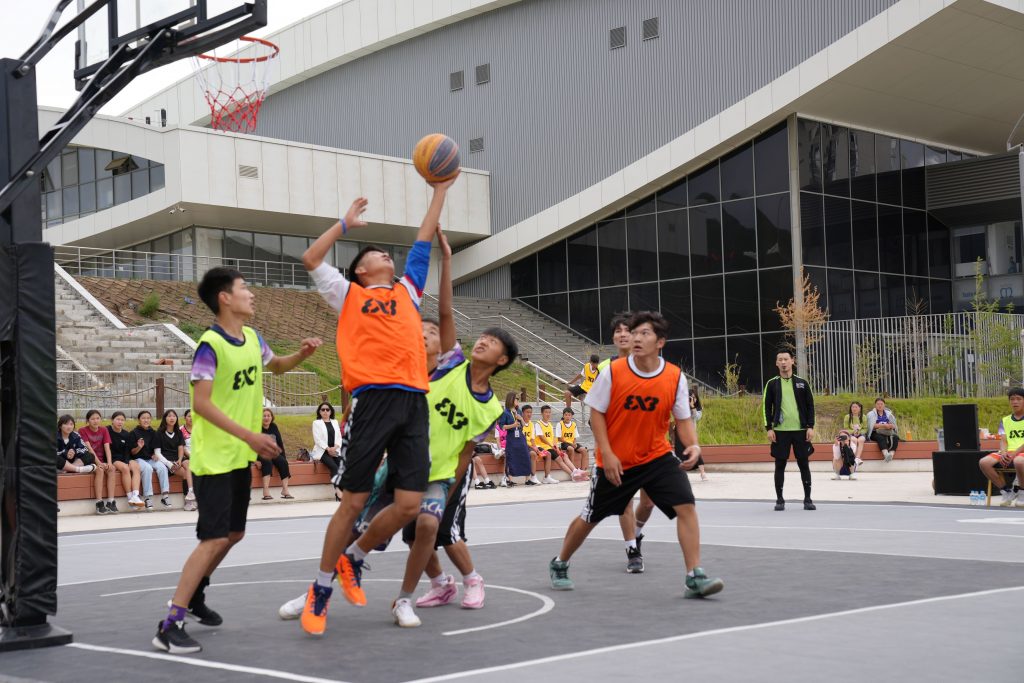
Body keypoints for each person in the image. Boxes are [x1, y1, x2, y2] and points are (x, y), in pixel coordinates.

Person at [299, 179, 455, 637]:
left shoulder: (409, 291)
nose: (385, 256)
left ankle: (355, 558)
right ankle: (322, 589)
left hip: (413, 401)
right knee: (353, 501)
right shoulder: (348, 294)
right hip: (372, 401)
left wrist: (441, 189)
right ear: (360, 271)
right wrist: (344, 224)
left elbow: (423, 238)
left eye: (387, 254)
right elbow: (311, 259)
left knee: (409, 503)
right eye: (374, 255)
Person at [153, 266, 321, 654]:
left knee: (233, 534)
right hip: (214, 458)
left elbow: (276, 365)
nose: (252, 293)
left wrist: (301, 354)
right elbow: (201, 403)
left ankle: (195, 596)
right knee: (213, 538)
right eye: (245, 288)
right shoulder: (210, 346)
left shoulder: (251, 338)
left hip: (239, 456)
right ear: (224, 298)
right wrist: (251, 435)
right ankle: (170, 623)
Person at [548, 311, 723, 599]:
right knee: (590, 517)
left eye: (645, 334)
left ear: (661, 342)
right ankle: (560, 562)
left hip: (657, 457)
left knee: (686, 505)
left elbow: (683, 419)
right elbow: (597, 413)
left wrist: (693, 444)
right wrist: (607, 452)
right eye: (635, 333)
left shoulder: (674, 376)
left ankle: (694, 575)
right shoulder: (613, 372)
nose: (637, 338)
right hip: (616, 461)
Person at [762, 348, 816, 511]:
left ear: (792, 361)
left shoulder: (802, 383)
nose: (783, 362)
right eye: (780, 360)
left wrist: (810, 426)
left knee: (804, 464)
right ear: (776, 363)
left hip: (801, 430)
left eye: (786, 359)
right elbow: (766, 407)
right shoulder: (772, 383)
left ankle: (807, 499)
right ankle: (779, 500)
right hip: (780, 432)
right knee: (780, 465)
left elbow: (810, 406)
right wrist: (769, 428)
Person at [980, 387, 1024, 507]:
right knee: (984, 462)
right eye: (1012, 399)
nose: (1015, 402)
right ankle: (1006, 491)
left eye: (1018, 399)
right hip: (1009, 452)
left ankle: (1022, 492)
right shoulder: (1005, 420)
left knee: (1019, 461)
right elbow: (1003, 440)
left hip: (1020, 453)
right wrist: (1004, 452)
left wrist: (1013, 454)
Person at [154, 409, 194, 510]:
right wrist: (169, 464)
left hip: (177, 459)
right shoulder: (159, 433)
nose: (172, 418)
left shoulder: (178, 432)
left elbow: (181, 448)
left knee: (188, 463)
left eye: (174, 416)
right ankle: (188, 502)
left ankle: (190, 492)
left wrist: (180, 460)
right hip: (166, 461)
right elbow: (157, 453)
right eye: (169, 416)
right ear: (165, 419)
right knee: (185, 473)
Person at [79, 409, 115, 514]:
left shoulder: (104, 430)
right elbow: (89, 449)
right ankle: (99, 503)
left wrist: (109, 463)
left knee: (112, 470)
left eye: (98, 418)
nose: (95, 421)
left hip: (101, 460)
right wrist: (99, 463)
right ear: (88, 420)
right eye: (92, 419)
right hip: (89, 459)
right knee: (99, 470)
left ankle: (111, 501)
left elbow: (107, 448)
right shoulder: (82, 430)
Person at [132, 410, 168, 511]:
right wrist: (139, 447)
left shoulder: (153, 433)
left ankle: (165, 496)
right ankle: (148, 498)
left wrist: (155, 455)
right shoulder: (134, 433)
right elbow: (132, 453)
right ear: (139, 420)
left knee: (162, 467)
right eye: (143, 418)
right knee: (148, 469)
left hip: (150, 459)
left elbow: (155, 450)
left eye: (148, 418)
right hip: (138, 459)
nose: (146, 420)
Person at [108, 411, 145, 510]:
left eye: (122, 420)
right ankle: (129, 497)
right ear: (112, 420)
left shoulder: (126, 434)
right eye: (118, 419)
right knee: (125, 468)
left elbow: (128, 451)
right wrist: (125, 463)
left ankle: (135, 495)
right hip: (113, 458)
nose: (120, 422)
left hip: (125, 457)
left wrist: (128, 461)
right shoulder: (107, 431)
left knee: (136, 466)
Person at [497, 393, 533, 486]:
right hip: (511, 436)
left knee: (525, 455)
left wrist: (521, 419)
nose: (518, 401)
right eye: (516, 399)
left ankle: (527, 479)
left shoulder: (519, 411)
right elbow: (502, 426)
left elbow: (524, 425)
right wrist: (513, 425)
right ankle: (510, 479)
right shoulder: (505, 412)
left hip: (520, 436)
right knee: (512, 457)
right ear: (511, 400)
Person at [260, 408, 293, 500]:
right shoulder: (256, 427)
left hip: (273, 452)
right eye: (264, 416)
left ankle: (285, 490)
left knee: (283, 462)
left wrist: (284, 457)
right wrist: (255, 461)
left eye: (268, 416)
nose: (266, 418)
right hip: (260, 453)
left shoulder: (274, 426)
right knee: (267, 462)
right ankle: (266, 490)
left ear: (271, 417)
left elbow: (280, 443)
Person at [555, 407, 590, 481]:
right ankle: (575, 472)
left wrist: (574, 443)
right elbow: (559, 438)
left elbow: (575, 437)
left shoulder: (573, 424)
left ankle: (582, 472)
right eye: (566, 415)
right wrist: (571, 444)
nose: (567, 416)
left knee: (584, 450)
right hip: (564, 443)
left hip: (571, 442)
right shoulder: (560, 424)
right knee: (571, 449)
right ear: (563, 415)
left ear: (571, 416)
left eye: (569, 415)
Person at [311, 402, 343, 478]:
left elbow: (339, 437)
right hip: (323, 451)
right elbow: (317, 439)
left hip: (334, 449)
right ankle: (338, 489)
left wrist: (334, 448)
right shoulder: (316, 423)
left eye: (327, 409)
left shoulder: (335, 422)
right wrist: (328, 449)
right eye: (323, 409)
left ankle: (344, 488)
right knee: (334, 467)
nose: (325, 411)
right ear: (320, 412)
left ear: (330, 411)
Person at [867, 398, 899, 462]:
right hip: (875, 432)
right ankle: (886, 454)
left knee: (895, 437)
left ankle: (891, 454)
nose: (880, 405)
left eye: (881, 404)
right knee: (880, 437)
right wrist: (884, 425)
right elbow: (871, 426)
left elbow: (893, 425)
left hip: (887, 432)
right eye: (878, 404)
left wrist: (890, 426)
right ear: (875, 405)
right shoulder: (870, 414)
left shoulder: (889, 414)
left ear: (884, 405)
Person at [686, 389, 708, 481]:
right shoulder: (683, 406)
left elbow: (697, 417)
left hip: (691, 434)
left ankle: (703, 473)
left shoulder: (698, 407)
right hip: (680, 432)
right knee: (679, 454)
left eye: (694, 398)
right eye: (691, 397)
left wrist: (692, 406)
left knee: (696, 452)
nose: (693, 399)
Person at [519, 404, 543, 486]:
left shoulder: (531, 424)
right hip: (521, 445)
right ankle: (533, 476)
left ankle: (533, 477)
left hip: (529, 446)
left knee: (537, 452)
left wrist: (535, 447)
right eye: (527, 412)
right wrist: (533, 448)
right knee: (532, 453)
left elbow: (532, 439)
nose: (529, 414)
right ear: (522, 413)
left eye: (530, 412)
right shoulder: (519, 424)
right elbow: (521, 439)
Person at [842, 401, 867, 466]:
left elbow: (865, 428)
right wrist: (853, 432)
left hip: (860, 434)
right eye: (853, 407)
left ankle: (857, 458)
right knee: (854, 440)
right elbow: (846, 428)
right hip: (851, 434)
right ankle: (853, 458)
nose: (854, 409)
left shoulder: (863, 417)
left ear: (860, 408)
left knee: (861, 440)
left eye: (856, 407)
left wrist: (859, 432)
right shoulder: (847, 417)